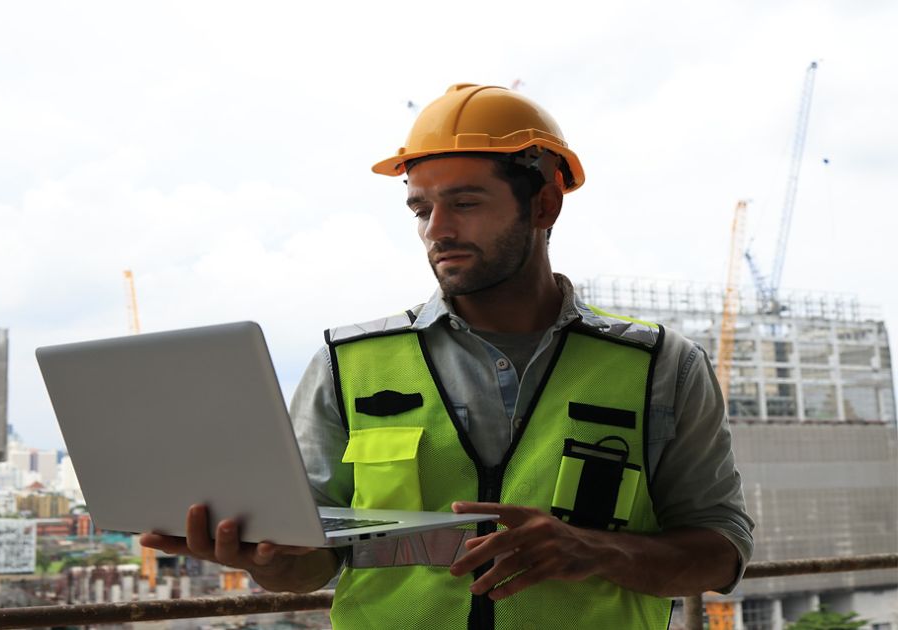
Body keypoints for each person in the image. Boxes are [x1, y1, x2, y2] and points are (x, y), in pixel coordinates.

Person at [142, 83, 754, 629]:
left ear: (544, 205)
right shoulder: (347, 364)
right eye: (421, 209)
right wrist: (264, 560)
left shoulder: (660, 367)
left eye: (465, 203)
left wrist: (596, 551)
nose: (436, 229)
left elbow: (722, 549)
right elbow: (311, 565)